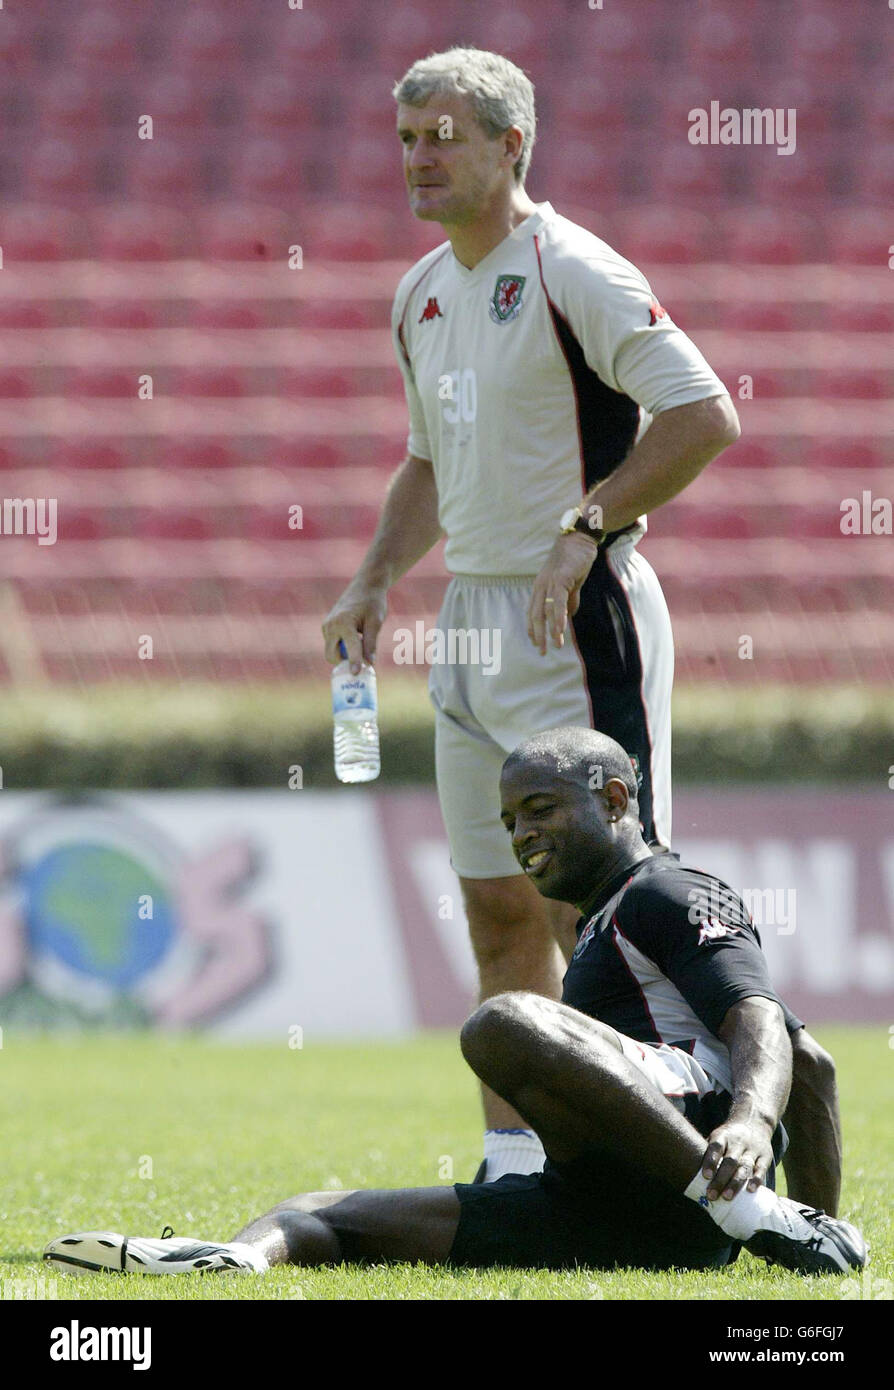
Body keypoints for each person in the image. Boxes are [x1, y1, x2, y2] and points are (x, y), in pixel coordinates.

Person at [322, 47, 744, 1181]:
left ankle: (664, 1166)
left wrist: (591, 525)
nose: (419, 158)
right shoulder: (420, 293)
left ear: (511, 144)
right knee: (498, 909)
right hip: (470, 620)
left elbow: (704, 415)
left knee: (602, 922)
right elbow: (426, 462)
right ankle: (519, 1171)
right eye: (407, 139)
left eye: (443, 136)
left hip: (576, 618)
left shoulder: (573, 269)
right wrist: (373, 580)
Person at [44, 730, 866, 1278]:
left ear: (616, 800)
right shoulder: (599, 920)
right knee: (319, 1213)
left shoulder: (668, 887)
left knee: (504, 1020)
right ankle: (231, 1262)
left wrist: (756, 1134)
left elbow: (766, 1023)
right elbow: (816, 1065)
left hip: (702, 1169)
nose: (520, 835)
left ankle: (753, 1213)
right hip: (601, 1210)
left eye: (540, 809)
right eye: (509, 820)